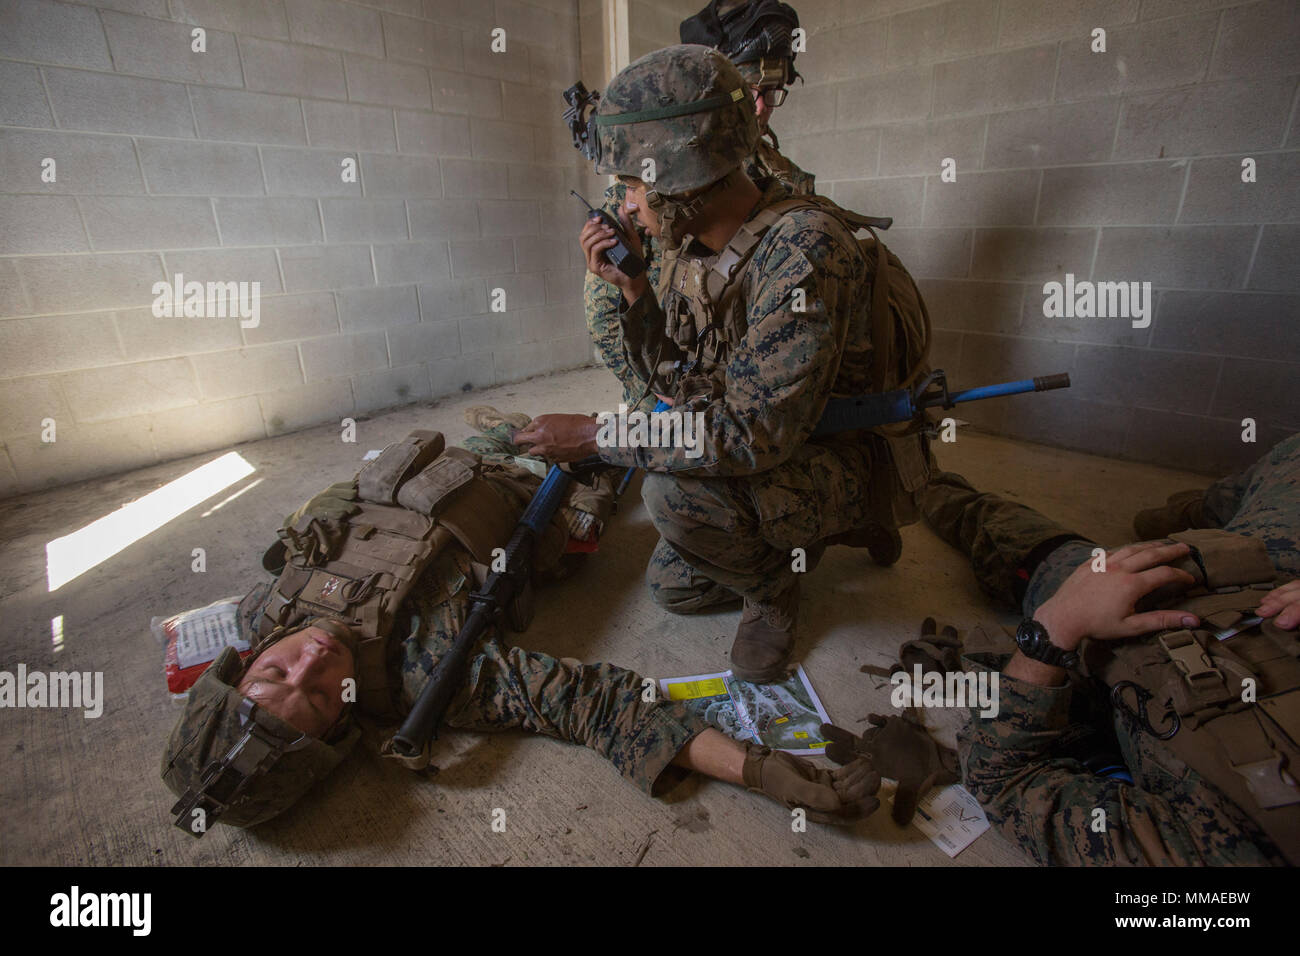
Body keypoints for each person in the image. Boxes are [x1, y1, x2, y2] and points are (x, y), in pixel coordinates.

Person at [160, 410, 880, 835]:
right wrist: (765, 772)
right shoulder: (427, 675)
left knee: (521, 431)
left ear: (243, 665)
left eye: (274, 673)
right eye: (320, 696)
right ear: (344, 727)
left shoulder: (260, 617)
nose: (312, 656)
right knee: (608, 471)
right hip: (518, 498)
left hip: (436, 470)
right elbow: (595, 704)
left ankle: (514, 429)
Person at [519, 45, 933, 684]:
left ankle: (780, 587)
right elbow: (682, 384)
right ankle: (802, 542)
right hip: (778, 431)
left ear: (679, 182)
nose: (625, 204)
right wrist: (634, 292)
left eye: (632, 185)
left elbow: (747, 437)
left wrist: (597, 436)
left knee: (671, 494)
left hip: (843, 447)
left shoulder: (804, 256)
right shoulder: (693, 243)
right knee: (674, 587)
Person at [920, 433, 1300, 865]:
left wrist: (1055, 627)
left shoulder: (1222, 853)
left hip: (1134, 621)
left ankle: (927, 486)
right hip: (1274, 564)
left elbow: (1001, 781)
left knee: (1015, 539)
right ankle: (1199, 510)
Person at [584, 0, 815, 414]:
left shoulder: (793, 201)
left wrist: (602, 437)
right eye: (746, 89)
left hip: (740, 394)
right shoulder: (658, 180)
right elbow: (605, 311)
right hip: (677, 374)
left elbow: (752, 430)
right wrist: (653, 395)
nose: (759, 107)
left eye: (771, 93)